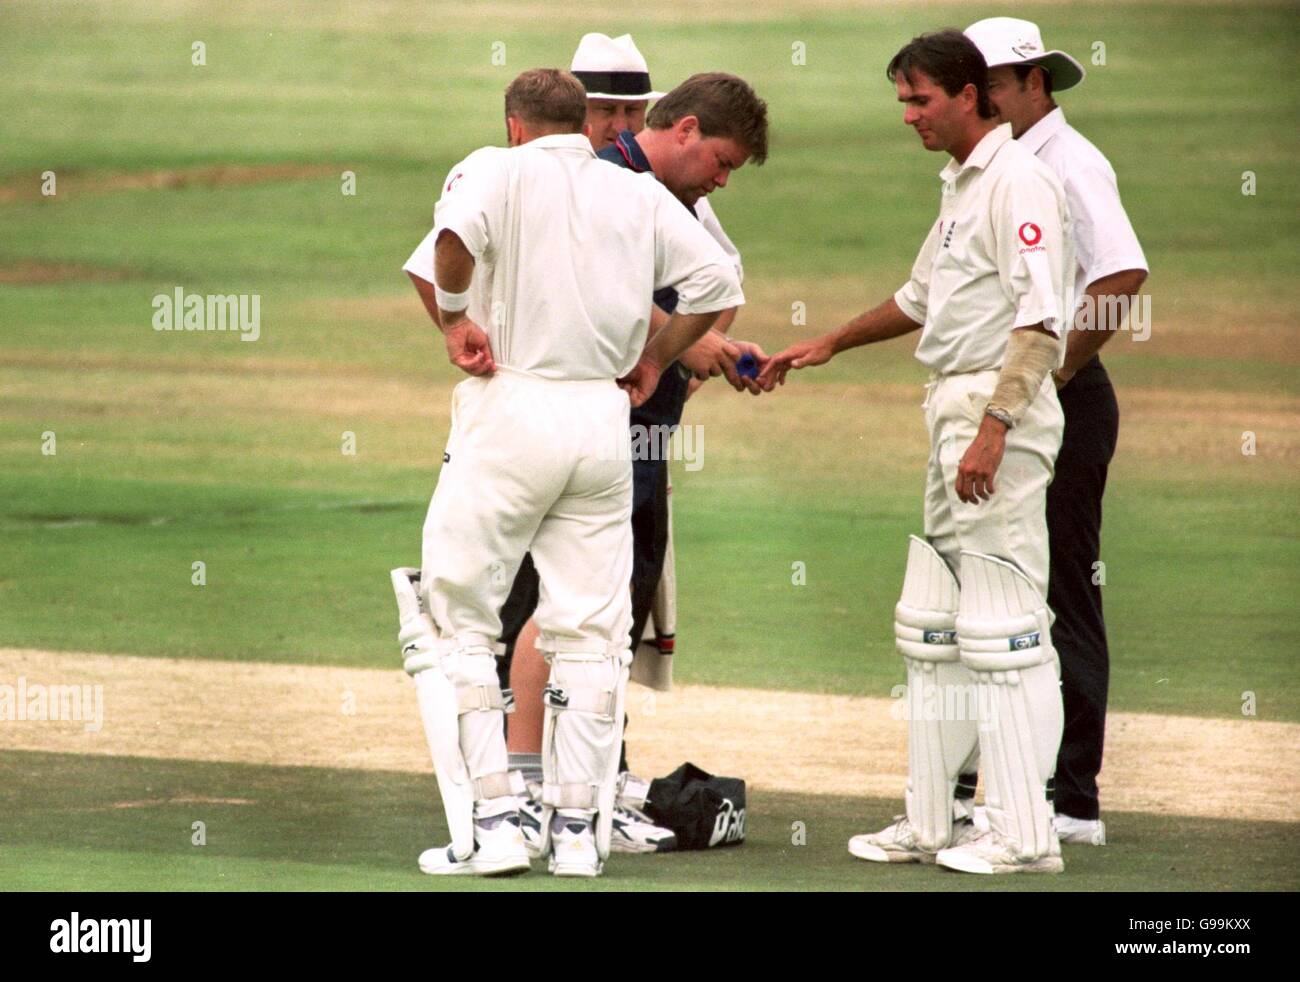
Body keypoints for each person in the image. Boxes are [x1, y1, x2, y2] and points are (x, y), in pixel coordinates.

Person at [404, 38, 769, 856]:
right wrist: (656, 358)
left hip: (515, 406)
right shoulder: (635, 196)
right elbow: (721, 288)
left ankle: (496, 826)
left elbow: (446, 248)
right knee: (594, 633)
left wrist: (459, 321)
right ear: (590, 122)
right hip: (603, 423)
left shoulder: (495, 168)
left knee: (461, 621)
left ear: (517, 125)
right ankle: (577, 835)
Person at [762, 29, 1075, 874]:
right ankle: (933, 819)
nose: (909, 117)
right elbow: (919, 298)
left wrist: (995, 427)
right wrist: (824, 343)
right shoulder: (962, 185)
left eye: (920, 100)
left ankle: (1022, 830)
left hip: (992, 409)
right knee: (935, 624)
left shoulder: (1021, 182)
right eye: (902, 100)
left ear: (972, 94)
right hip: (950, 403)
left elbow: (1042, 321)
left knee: (1007, 623)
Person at [966, 17, 1149, 847]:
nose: (982, 101)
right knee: (1003, 578)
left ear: (1034, 83)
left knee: (1063, 588)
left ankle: (1073, 798)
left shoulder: (1069, 163)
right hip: (1025, 391)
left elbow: (1120, 275)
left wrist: (1055, 373)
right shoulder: (1001, 166)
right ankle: (1003, 776)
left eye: (993, 86)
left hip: (1064, 395)